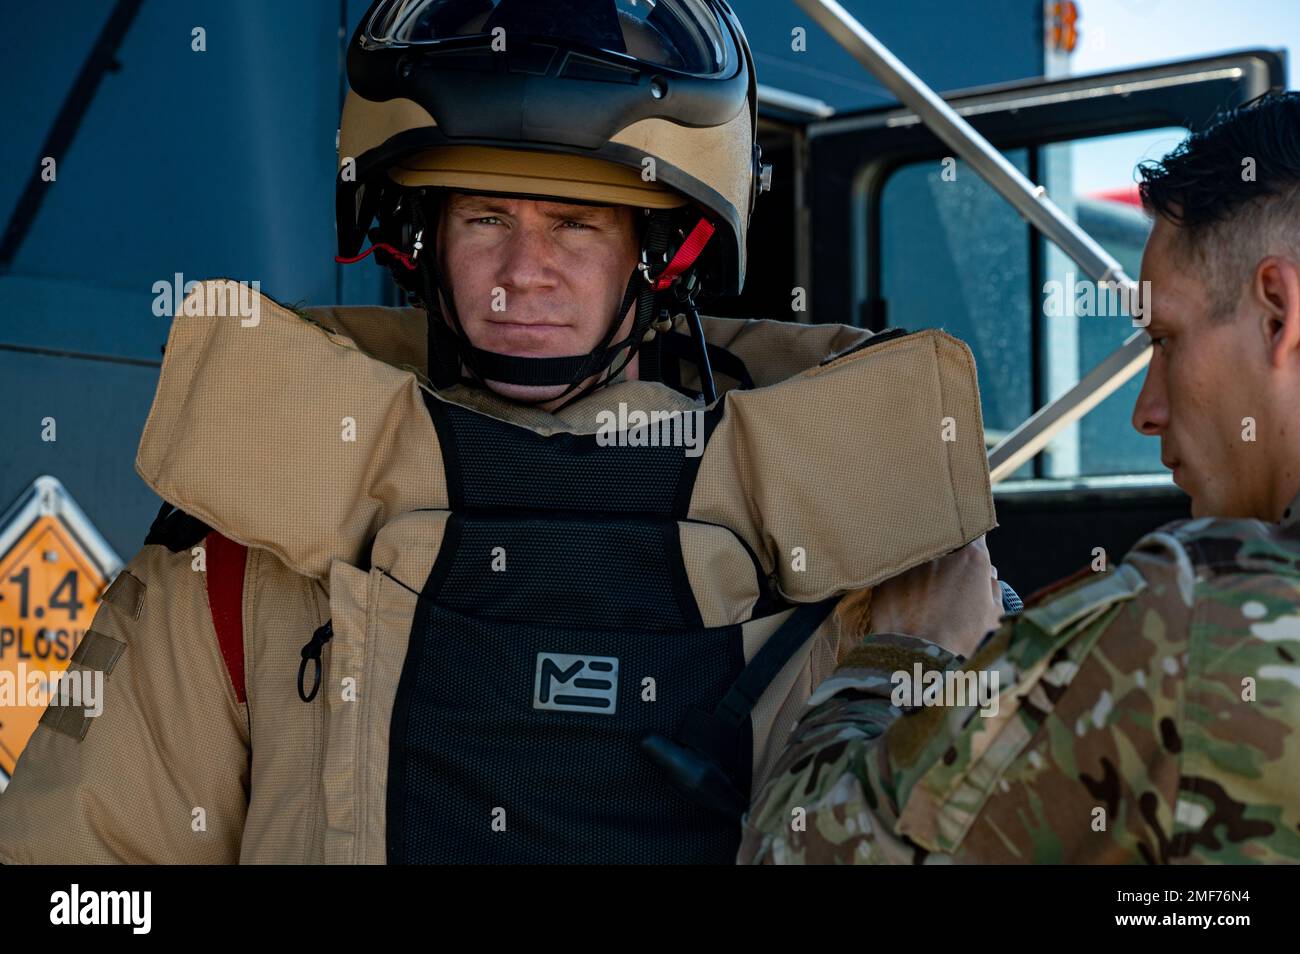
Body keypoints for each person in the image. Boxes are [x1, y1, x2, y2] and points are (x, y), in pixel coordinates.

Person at [0, 0, 999, 864]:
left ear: (661, 249)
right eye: (484, 217)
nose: (524, 272)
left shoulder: (872, 555)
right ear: (420, 237)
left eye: (576, 223)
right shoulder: (245, 540)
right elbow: (88, 878)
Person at [738, 92, 1300, 865]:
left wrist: (909, 651)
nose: (1146, 410)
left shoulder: (1190, 629)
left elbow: (794, 853)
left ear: (1279, 311)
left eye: (1165, 340)